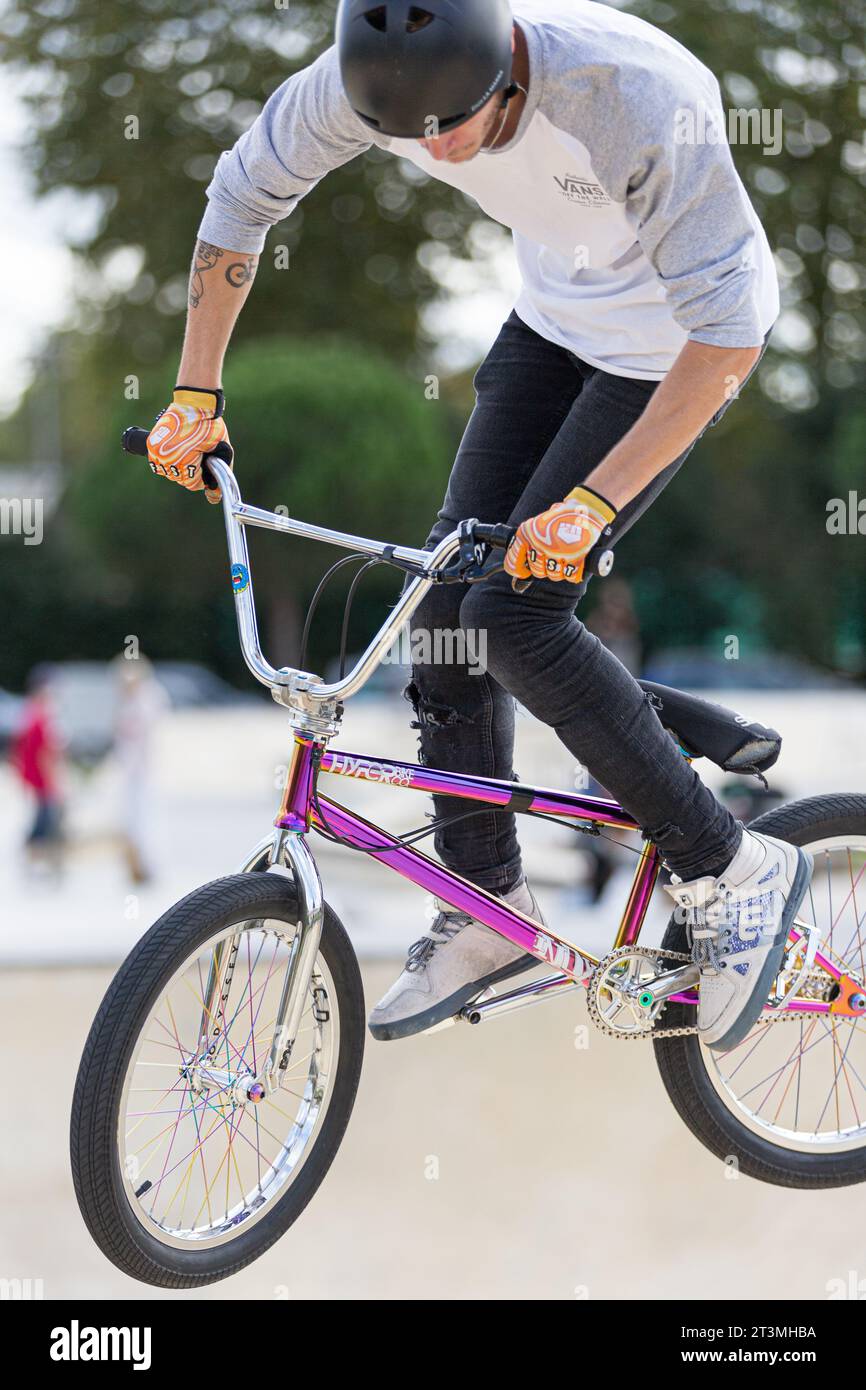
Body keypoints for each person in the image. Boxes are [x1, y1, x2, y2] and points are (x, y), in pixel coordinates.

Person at [145, 0, 813, 1053]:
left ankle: (730, 865)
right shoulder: (359, 85)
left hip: (670, 354)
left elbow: (727, 335)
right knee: (442, 613)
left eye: (455, 126)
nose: (435, 148)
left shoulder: (631, 100)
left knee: (514, 613)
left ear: (505, 69)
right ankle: (483, 905)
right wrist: (195, 391)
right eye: (407, 134)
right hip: (549, 325)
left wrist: (589, 504)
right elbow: (238, 204)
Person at [11, 664, 65, 873]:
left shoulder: (30, 713)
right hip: (41, 779)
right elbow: (44, 753)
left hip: (34, 777)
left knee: (40, 820)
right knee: (44, 823)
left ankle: (33, 862)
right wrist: (53, 782)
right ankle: (36, 863)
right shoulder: (39, 716)